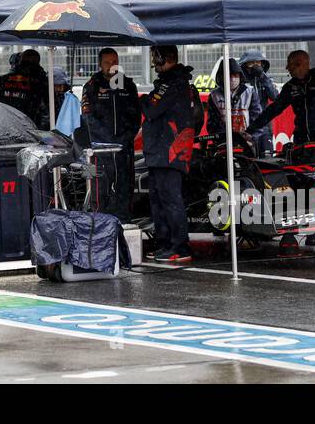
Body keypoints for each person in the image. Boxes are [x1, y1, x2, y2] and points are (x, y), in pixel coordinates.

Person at [140, 44, 197, 263]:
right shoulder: (170, 82)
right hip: (159, 150)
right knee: (158, 200)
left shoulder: (174, 82)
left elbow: (151, 109)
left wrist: (143, 99)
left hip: (171, 152)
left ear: (165, 57)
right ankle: (164, 244)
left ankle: (180, 247)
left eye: (156, 57)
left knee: (171, 200)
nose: (154, 62)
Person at [246, 50, 315, 166]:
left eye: (289, 64)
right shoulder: (291, 86)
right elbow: (273, 109)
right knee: (298, 167)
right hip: (301, 136)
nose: (287, 68)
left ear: (300, 64)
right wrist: (250, 130)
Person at [79, 48, 141, 220]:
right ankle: (99, 226)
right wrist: (107, 141)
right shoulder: (91, 86)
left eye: (115, 61)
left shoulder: (128, 85)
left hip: (123, 149)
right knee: (99, 191)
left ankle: (124, 225)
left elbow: (136, 117)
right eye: (107, 62)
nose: (111, 65)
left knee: (124, 189)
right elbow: (87, 117)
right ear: (100, 64)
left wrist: (123, 140)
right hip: (100, 150)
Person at [0, 48, 49, 129]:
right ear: (38, 63)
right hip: (29, 129)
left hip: (3, 127)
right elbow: (47, 109)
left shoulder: (2, 80)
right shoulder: (40, 82)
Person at [206, 58, 262, 140]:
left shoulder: (250, 92)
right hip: (222, 140)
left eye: (235, 75)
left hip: (247, 140)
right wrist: (223, 136)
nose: (232, 79)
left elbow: (257, 118)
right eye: (229, 76)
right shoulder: (214, 95)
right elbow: (212, 122)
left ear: (240, 76)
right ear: (221, 77)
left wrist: (251, 136)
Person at [238, 49, 278, 155]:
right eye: (252, 63)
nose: (256, 66)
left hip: (264, 125)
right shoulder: (240, 81)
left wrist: (262, 76)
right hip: (245, 126)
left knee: (267, 160)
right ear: (244, 65)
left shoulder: (266, 79)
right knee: (248, 160)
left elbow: (275, 97)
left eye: (258, 62)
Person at [50, 67, 82, 138]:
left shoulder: (67, 98)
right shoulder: (48, 98)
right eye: (57, 86)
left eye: (62, 86)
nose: (60, 89)